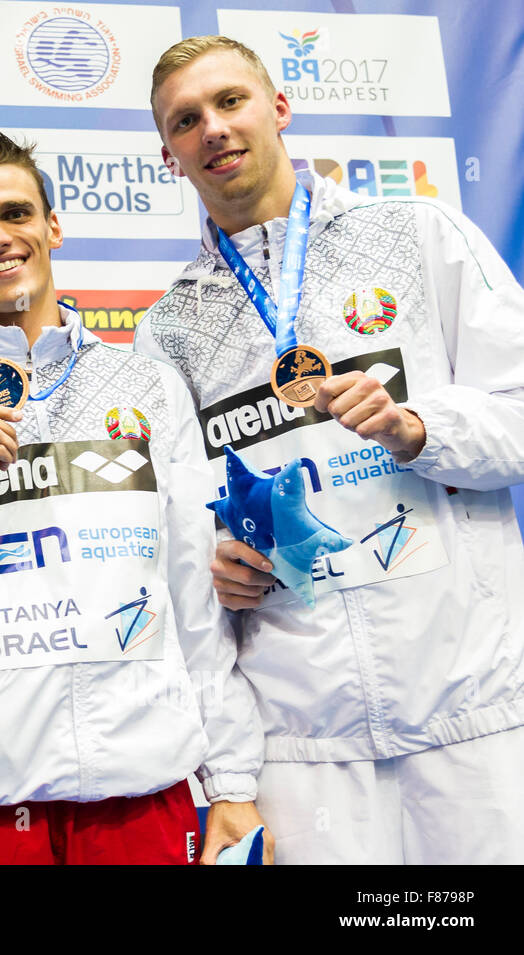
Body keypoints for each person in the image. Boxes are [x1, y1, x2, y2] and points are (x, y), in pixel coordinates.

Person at [138, 35, 524, 863]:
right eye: (185, 120)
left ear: (279, 107)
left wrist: (420, 428)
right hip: (300, 735)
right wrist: (216, 559)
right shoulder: (167, 328)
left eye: (230, 101)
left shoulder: (419, 234)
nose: (213, 128)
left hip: (470, 712)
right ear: (169, 155)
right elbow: (174, 529)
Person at [0, 130, 267, 865]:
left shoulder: (146, 384)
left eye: (15, 213)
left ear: (53, 226)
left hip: (141, 794)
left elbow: (194, 603)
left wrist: (231, 779)